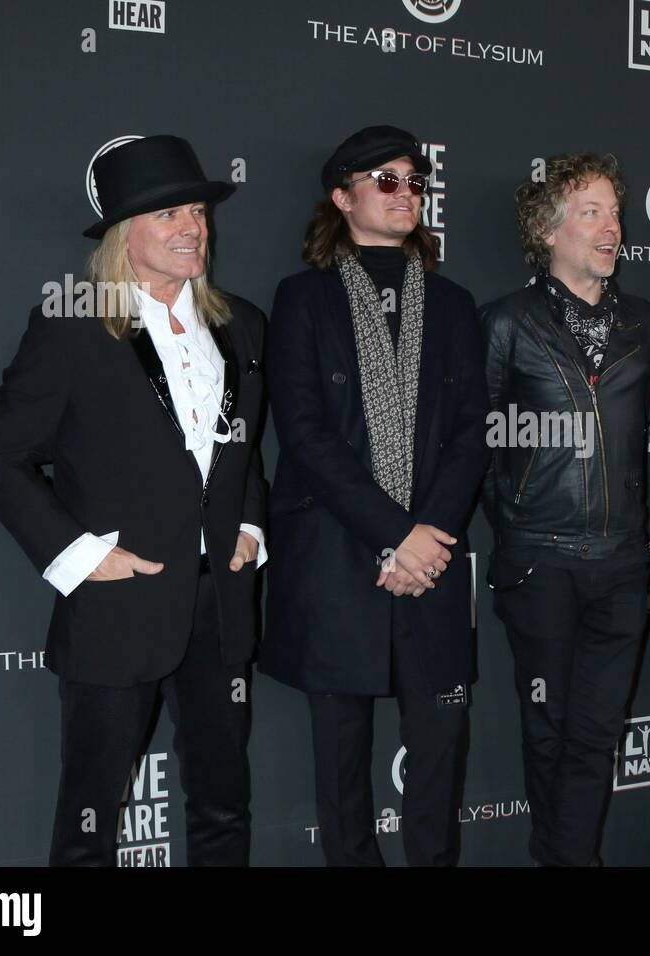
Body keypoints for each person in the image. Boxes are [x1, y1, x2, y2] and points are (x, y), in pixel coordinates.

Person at [0, 135, 268, 866]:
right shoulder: (74, 323)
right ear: (122, 233)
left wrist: (252, 525)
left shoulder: (242, 326)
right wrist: (79, 557)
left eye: (196, 210)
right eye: (168, 214)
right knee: (88, 827)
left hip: (220, 610)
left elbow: (242, 447)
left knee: (224, 808)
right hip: (117, 610)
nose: (191, 227)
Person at [259, 125, 488, 866]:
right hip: (337, 557)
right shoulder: (302, 300)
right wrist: (397, 534)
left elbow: (470, 435)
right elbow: (305, 436)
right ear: (342, 195)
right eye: (386, 180)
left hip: (433, 561)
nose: (406, 192)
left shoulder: (454, 305)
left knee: (437, 763)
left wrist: (427, 539)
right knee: (342, 770)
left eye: (414, 180)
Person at [480, 153, 650, 866]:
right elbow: (480, 444)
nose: (612, 227)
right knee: (548, 729)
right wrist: (520, 523)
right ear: (547, 231)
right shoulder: (505, 322)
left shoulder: (644, 323)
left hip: (621, 565)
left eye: (616, 212)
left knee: (595, 734)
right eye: (592, 212)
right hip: (540, 565)